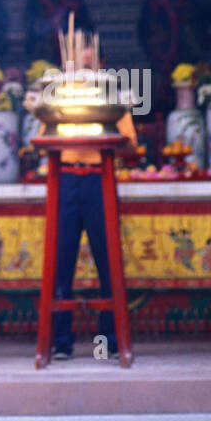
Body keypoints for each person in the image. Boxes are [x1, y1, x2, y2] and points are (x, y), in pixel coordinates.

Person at [38, 45, 138, 361]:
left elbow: (131, 144)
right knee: (61, 259)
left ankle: (109, 340)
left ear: (100, 65)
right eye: (75, 63)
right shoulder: (59, 97)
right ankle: (61, 341)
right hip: (65, 180)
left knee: (107, 258)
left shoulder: (111, 97)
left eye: (88, 62)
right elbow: (42, 140)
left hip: (99, 179)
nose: (82, 70)